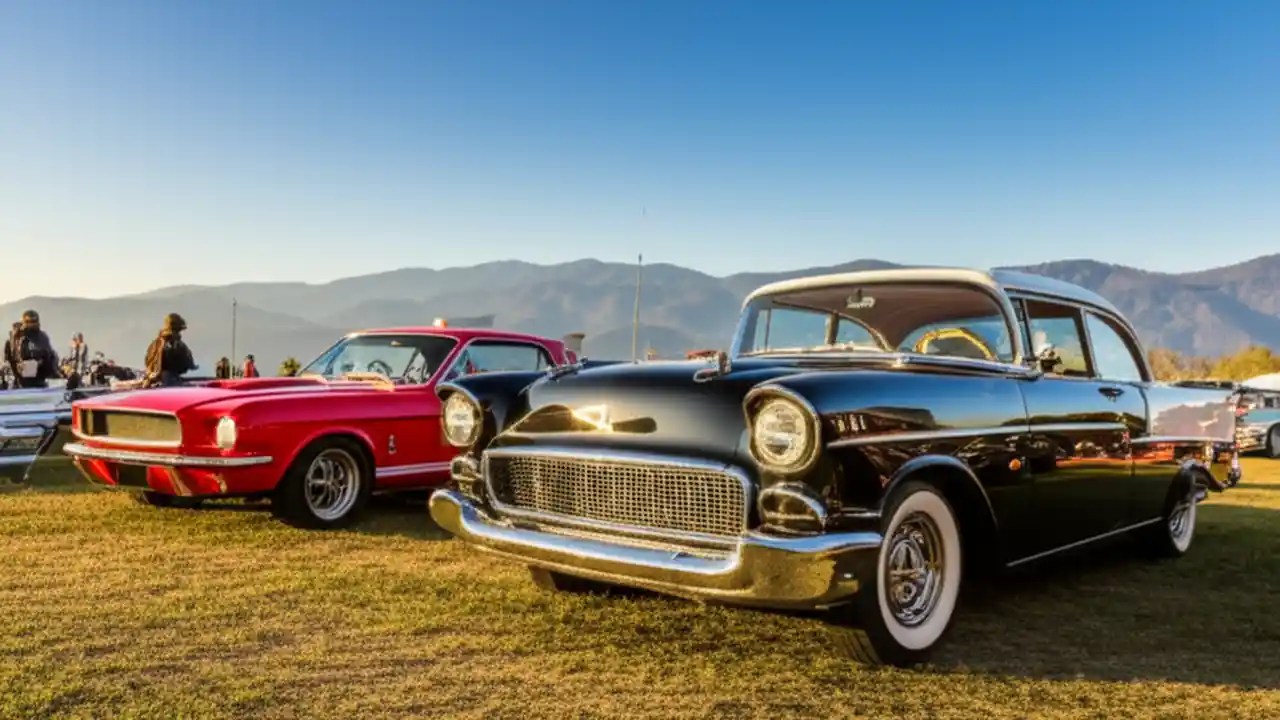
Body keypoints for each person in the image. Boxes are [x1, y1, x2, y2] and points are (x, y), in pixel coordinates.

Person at [6, 311, 61, 388]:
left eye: (34, 321)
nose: (32, 324)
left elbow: (49, 356)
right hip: (19, 382)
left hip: (39, 380)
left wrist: (40, 363)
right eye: (29, 322)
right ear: (23, 322)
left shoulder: (42, 337)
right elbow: (9, 357)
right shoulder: (15, 337)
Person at [142, 313, 197, 387]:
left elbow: (147, 362)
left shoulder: (154, 344)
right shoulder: (177, 345)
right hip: (170, 383)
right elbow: (188, 364)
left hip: (154, 382)